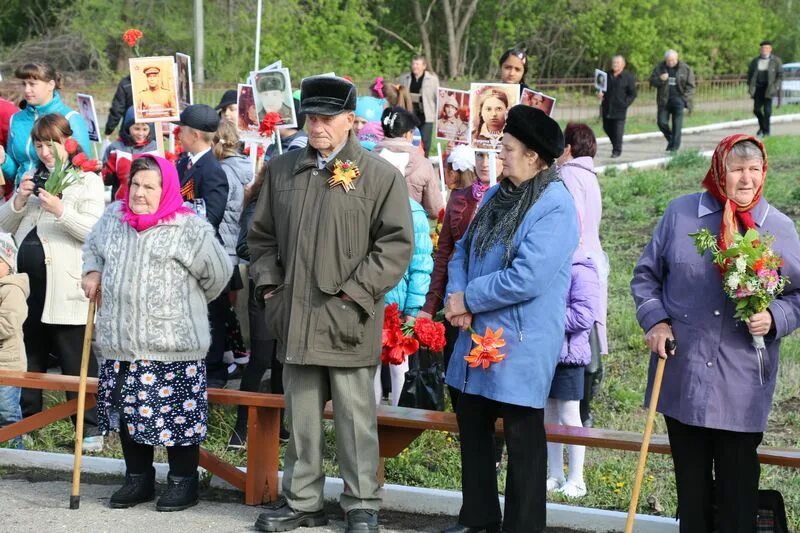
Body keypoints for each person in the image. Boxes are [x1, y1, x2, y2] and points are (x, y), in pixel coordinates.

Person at [248, 75, 413, 533]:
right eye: (311, 118)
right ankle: (302, 501)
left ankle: (361, 504)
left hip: (348, 319)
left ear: (351, 121)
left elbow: (395, 247)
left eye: (326, 118)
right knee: (300, 418)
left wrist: (353, 296)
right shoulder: (282, 170)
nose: (316, 126)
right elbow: (259, 239)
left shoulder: (380, 176)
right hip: (295, 317)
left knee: (356, 419)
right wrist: (270, 291)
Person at [630, 134, 800, 532]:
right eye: (737, 169)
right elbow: (645, 277)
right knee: (692, 493)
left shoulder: (777, 227)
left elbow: (798, 294)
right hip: (683, 372)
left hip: (741, 384)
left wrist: (775, 316)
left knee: (737, 494)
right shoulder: (682, 214)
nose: (746, 179)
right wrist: (656, 322)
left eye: (754, 170)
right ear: (719, 172)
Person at [442, 106, 578, 533]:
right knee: (473, 423)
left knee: (523, 440)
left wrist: (469, 299)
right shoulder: (500, 194)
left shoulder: (556, 204)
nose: (501, 154)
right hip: (474, 332)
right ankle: (479, 517)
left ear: (534, 157)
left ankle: (522, 526)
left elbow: (527, 278)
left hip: (520, 341)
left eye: (509, 148)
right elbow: (462, 248)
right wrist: (455, 297)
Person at [82, 154, 232, 511]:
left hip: (172, 346)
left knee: (177, 419)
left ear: (166, 190)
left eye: (150, 187)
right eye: (135, 184)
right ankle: (138, 479)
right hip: (121, 345)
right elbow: (93, 250)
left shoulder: (188, 226)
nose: (139, 192)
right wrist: (92, 271)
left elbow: (219, 274)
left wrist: (180, 306)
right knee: (129, 415)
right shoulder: (113, 218)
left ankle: (183, 483)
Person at [0, 113, 105, 451]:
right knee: (30, 357)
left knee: (74, 359)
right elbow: (4, 226)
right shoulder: (33, 179)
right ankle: (28, 422)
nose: (46, 151)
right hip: (28, 287)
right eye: (40, 145)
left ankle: (89, 429)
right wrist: (18, 199)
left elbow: (94, 232)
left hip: (66, 286)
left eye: (52, 144)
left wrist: (61, 210)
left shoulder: (85, 181)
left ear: (67, 143)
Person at [419, 145, 501, 408]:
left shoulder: (513, 200)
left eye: (492, 155)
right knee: (457, 379)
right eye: (479, 155)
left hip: (493, 304)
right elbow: (444, 254)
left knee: (491, 383)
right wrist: (430, 306)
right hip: (456, 302)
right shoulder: (459, 198)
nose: (485, 163)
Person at [557, 123, 608, 427]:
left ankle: (581, 406)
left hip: (575, 261)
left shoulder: (568, 174)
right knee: (590, 326)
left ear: (568, 148)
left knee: (578, 333)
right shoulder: (589, 175)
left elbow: (571, 219)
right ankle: (585, 404)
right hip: (594, 258)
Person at [176, 104, 230, 388]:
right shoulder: (183, 162)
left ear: (194, 133)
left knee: (210, 319)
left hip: (203, 257)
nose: (178, 133)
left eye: (181, 129)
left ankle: (213, 374)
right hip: (182, 254)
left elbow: (212, 216)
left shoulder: (212, 170)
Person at [544, 249, 600, 499]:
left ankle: (577, 479)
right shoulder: (547, 265)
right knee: (548, 416)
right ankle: (554, 474)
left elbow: (584, 316)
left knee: (569, 416)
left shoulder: (582, 270)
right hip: (545, 356)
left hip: (568, 357)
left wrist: (544, 317)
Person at [374, 194, 433, 407]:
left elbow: (421, 263)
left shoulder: (413, 212)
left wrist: (413, 307)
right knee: (370, 365)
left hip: (397, 303)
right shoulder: (370, 200)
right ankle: (372, 424)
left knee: (399, 364)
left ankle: (399, 421)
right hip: (369, 297)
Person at [0, 63, 91, 185]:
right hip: (21, 197)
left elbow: (82, 169)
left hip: (56, 198)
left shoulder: (71, 118)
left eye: (32, 84)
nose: (27, 90)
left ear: (51, 85)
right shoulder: (16, 119)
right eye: (24, 84)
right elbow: (16, 171)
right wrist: (4, 160)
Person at [375, 107, 444, 219]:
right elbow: (435, 210)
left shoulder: (367, 158)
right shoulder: (423, 164)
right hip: (410, 229)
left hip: (373, 228)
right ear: (408, 134)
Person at [0, 233, 30, 450]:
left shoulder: (12, 290)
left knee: (7, 411)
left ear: (9, 264)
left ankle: (14, 453)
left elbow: (9, 324)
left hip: (7, 364)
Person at [102, 107, 158, 201]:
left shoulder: (156, 148)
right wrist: (102, 170)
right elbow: (107, 180)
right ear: (128, 127)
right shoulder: (115, 148)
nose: (141, 133)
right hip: (121, 202)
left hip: (147, 202)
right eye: (137, 129)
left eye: (145, 129)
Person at [650, 50, 695, 152]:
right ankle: (672, 140)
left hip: (679, 101)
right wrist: (660, 79)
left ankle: (674, 148)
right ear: (665, 60)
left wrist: (684, 100)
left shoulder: (685, 68)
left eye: (673, 60)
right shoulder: (660, 67)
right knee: (661, 122)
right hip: (664, 101)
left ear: (677, 58)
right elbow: (652, 81)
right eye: (668, 60)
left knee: (677, 126)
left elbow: (691, 86)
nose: (671, 62)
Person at [399, 55, 439, 154]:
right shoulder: (405, 78)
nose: (414, 66)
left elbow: (438, 97)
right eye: (413, 64)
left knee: (425, 141)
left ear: (424, 66)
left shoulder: (432, 79)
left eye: (417, 64)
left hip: (426, 115)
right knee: (408, 139)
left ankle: (425, 161)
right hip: (410, 114)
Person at [599, 55, 637, 158]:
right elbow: (600, 89)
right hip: (607, 108)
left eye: (617, 63)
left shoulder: (628, 77)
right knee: (606, 128)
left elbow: (633, 94)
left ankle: (617, 151)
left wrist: (625, 103)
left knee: (618, 131)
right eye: (614, 63)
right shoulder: (606, 75)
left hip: (620, 109)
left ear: (623, 65)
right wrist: (600, 94)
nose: (615, 65)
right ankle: (616, 145)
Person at [748, 40, 783, 137]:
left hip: (769, 89)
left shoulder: (776, 61)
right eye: (763, 48)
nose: (764, 50)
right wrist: (750, 87)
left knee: (767, 112)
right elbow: (750, 75)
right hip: (758, 88)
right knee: (757, 110)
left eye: (767, 48)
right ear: (760, 49)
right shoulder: (755, 61)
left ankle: (766, 132)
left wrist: (775, 86)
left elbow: (780, 76)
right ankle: (763, 127)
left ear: (770, 49)